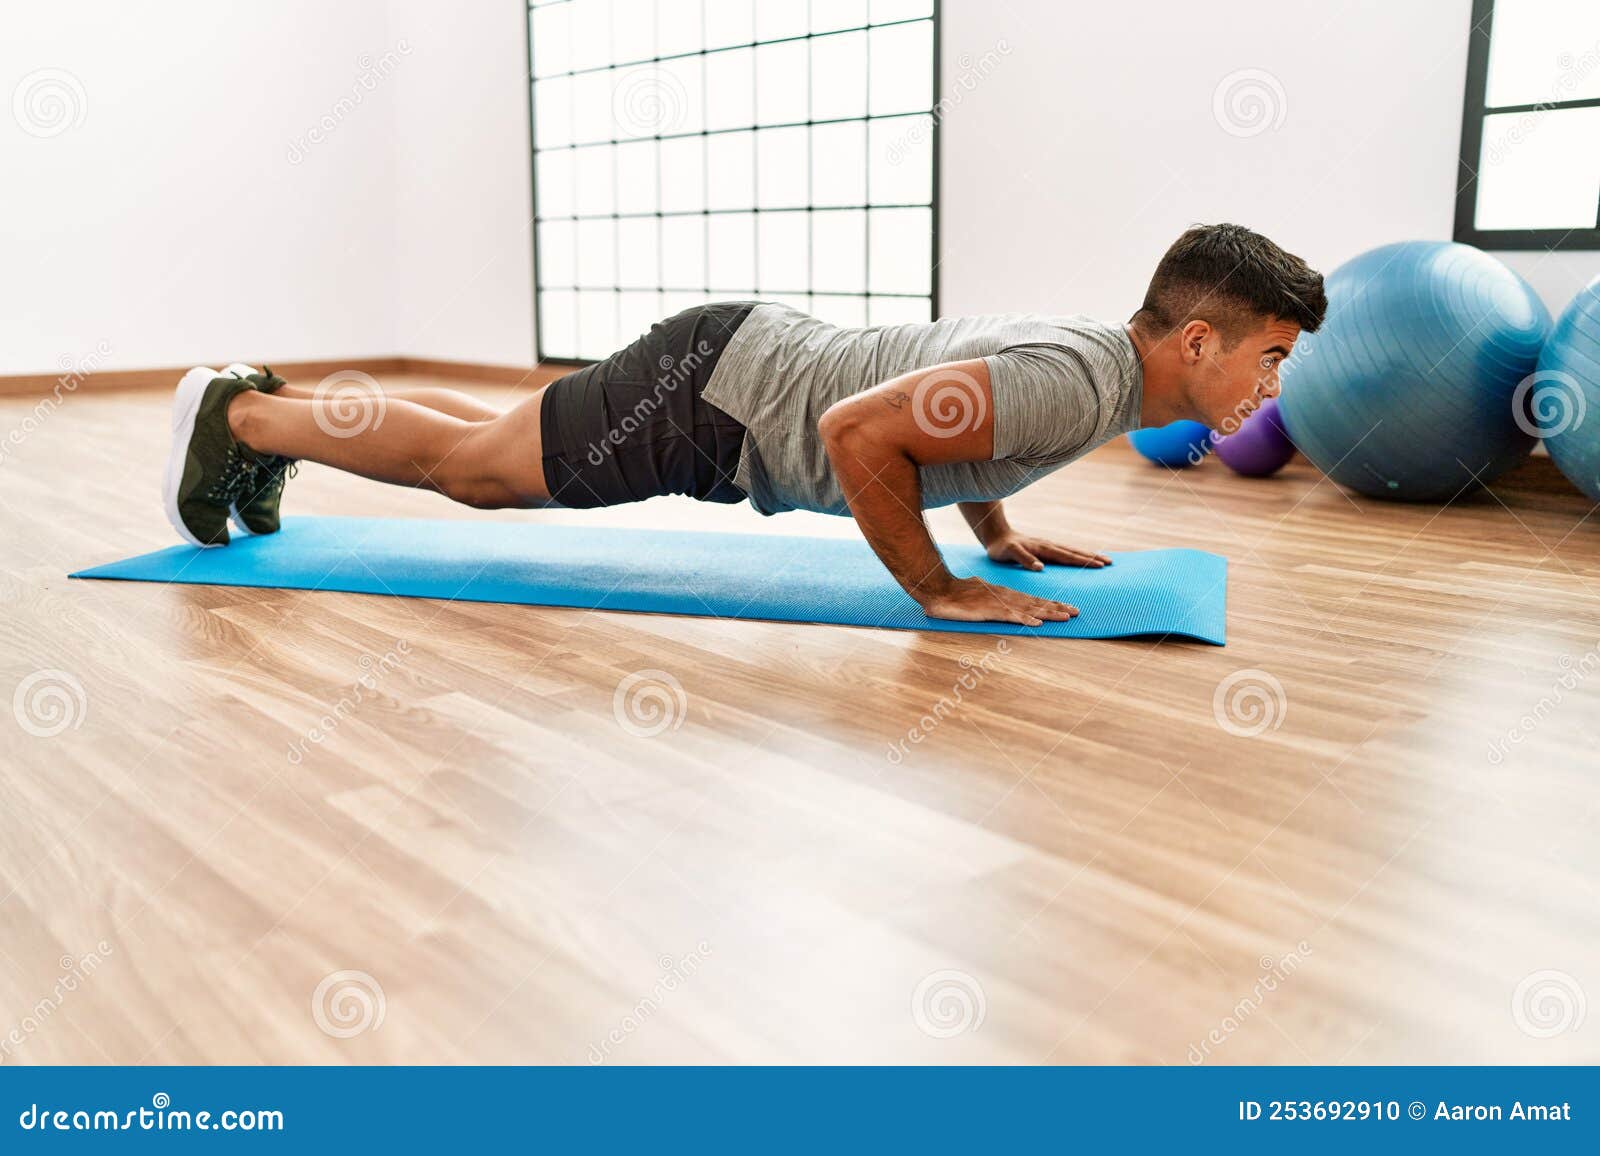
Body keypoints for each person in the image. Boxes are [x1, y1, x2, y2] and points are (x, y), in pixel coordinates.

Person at [165, 222, 1325, 627]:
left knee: (486, 437)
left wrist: (994, 534)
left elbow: (959, 416)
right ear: (1196, 343)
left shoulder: (1096, 376)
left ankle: (265, 418)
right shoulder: (1082, 384)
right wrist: (939, 587)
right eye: (1270, 355)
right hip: (714, 400)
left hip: (730, 370)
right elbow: (866, 433)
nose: (1273, 387)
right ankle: (246, 416)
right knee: (477, 473)